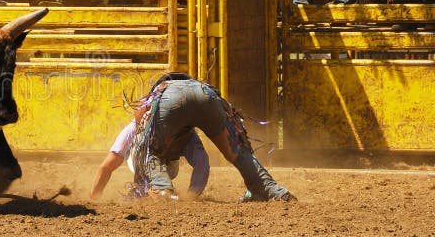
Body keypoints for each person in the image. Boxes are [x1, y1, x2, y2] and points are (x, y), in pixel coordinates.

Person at [89, 73, 296, 203]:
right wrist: (193, 195)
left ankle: (162, 192)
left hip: (170, 98)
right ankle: (271, 189)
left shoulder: (136, 128)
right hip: (205, 93)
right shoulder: (188, 134)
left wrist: (93, 198)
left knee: (149, 150)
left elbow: (106, 167)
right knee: (235, 150)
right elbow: (202, 164)